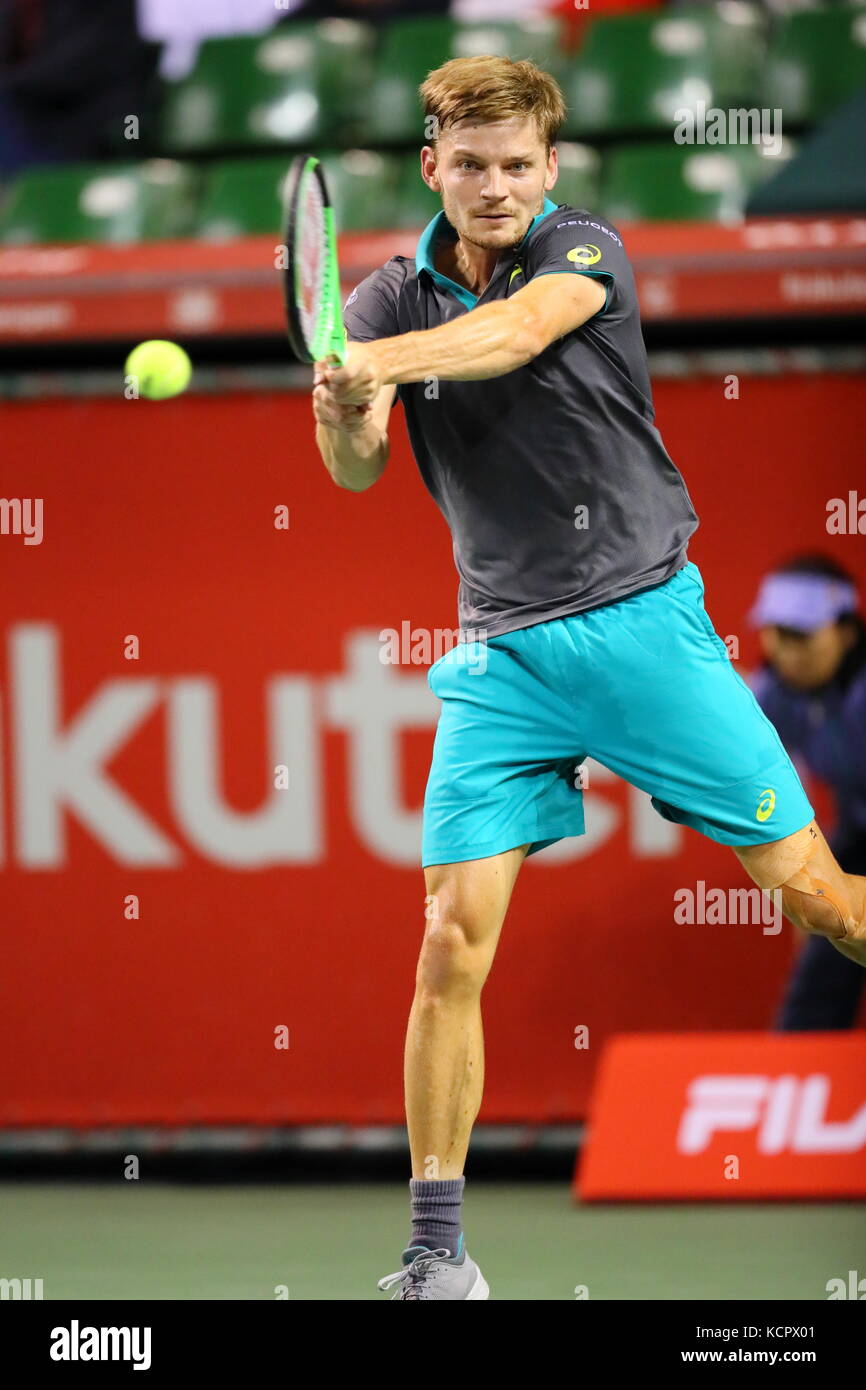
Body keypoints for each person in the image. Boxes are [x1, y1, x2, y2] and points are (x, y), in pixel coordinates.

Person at [311, 55, 866, 1300]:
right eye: (472, 166)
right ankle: (435, 1255)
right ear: (431, 167)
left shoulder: (583, 253)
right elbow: (350, 470)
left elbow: (511, 337)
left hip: (640, 629)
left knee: (826, 904)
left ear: (549, 168)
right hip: (500, 651)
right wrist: (345, 400)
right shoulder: (387, 297)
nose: (497, 187)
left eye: (518, 166)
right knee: (449, 944)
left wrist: (381, 364)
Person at [748, 555, 866, 1030]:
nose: (785, 650)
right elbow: (787, 797)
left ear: (846, 632)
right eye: (776, 632)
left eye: (801, 635)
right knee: (820, 971)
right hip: (858, 836)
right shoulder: (773, 697)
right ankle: (802, 1085)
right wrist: (810, 891)